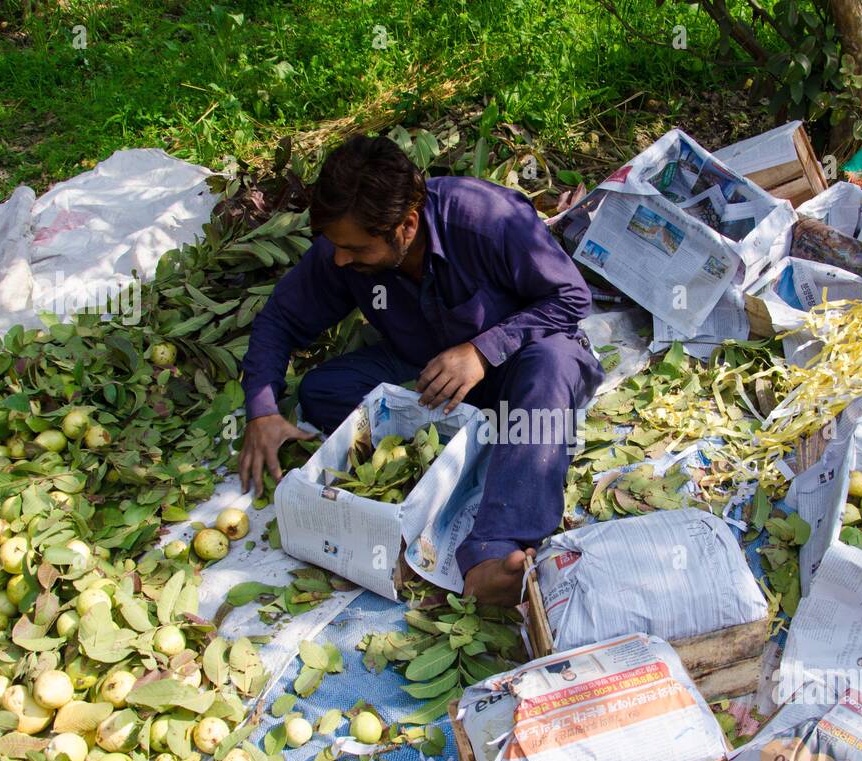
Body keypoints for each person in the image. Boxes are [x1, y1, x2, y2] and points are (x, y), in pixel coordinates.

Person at [239, 134, 602, 606]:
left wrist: (481, 349)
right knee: (323, 389)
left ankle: (495, 547)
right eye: (337, 248)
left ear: (407, 226)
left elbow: (571, 298)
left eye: (355, 249)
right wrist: (262, 410)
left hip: (519, 365)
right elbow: (281, 318)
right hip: (425, 369)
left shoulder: (488, 220)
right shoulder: (343, 248)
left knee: (552, 365)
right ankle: (480, 448)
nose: (342, 259)